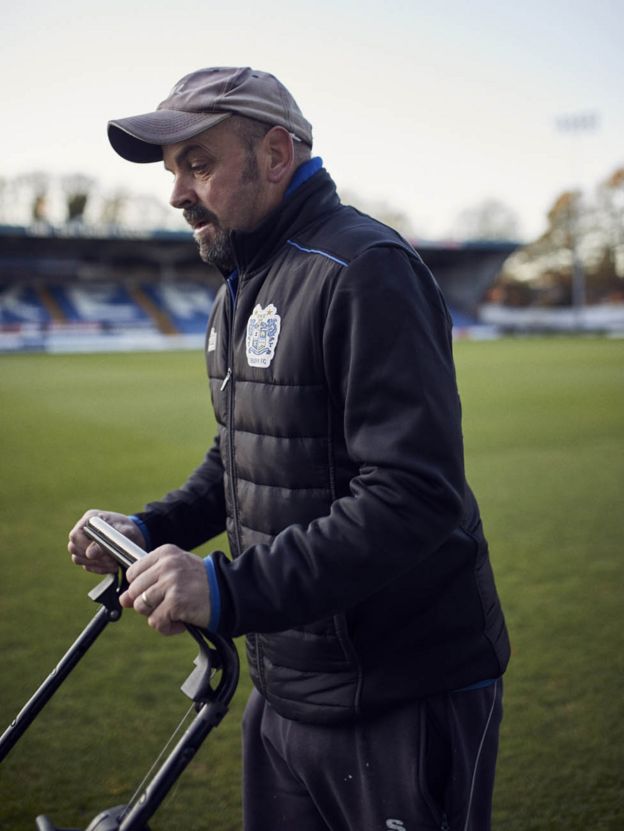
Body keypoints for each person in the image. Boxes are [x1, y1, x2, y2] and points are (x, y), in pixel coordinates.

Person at [68, 66, 510, 831]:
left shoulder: (365, 268)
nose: (176, 194)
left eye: (198, 164)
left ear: (276, 155)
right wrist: (149, 529)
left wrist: (230, 590)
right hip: (286, 687)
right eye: (174, 171)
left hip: (400, 692)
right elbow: (244, 452)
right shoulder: (243, 281)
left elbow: (415, 494)